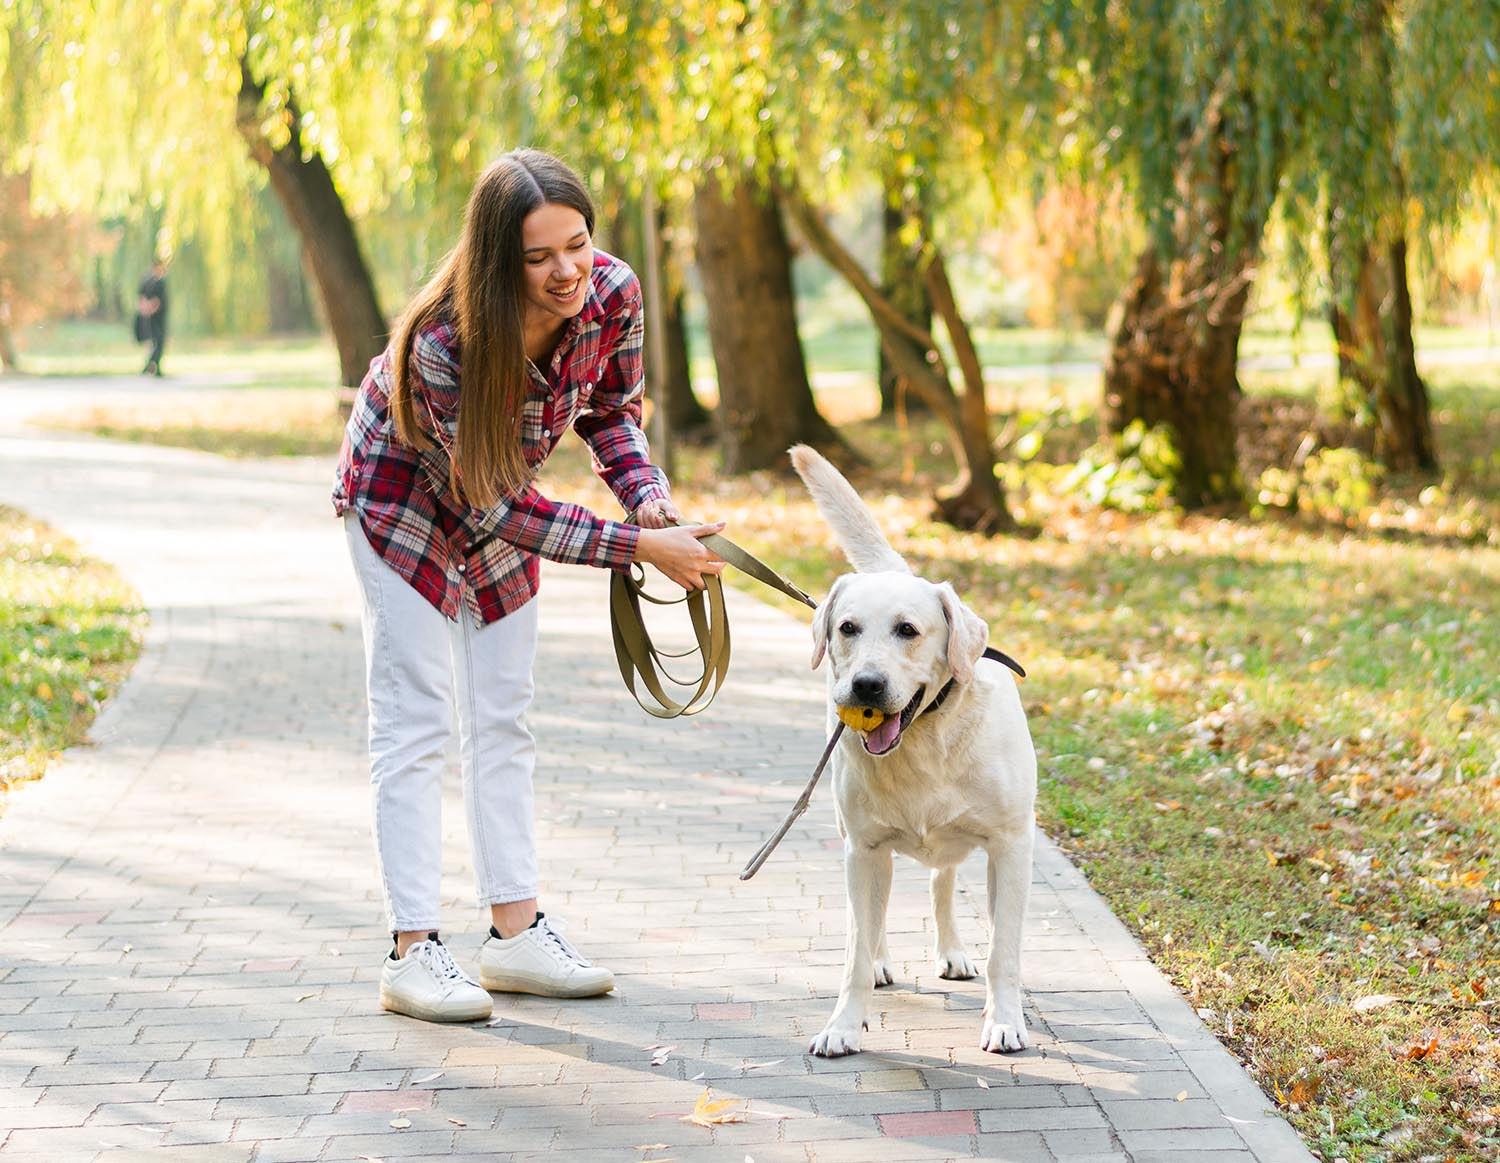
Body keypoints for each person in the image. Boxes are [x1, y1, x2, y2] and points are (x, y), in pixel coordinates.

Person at [332, 149, 726, 1024]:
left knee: (503, 712)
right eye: (538, 257)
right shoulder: (445, 343)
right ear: (496, 262)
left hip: (501, 501)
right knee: (417, 719)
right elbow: (500, 501)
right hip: (404, 502)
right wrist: (636, 547)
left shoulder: (613, 295)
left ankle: (513, 934)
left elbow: (610, 415)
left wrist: (653, 508)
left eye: (576, 244)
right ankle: (412, 951)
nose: (566, 271)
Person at [136, 258, 168, 376]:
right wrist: (148, 310)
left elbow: (142, 300)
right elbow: (156, 301)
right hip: (155, 317)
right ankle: (150, 366)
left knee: (154, 343)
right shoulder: (158, 282)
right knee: (158, 342)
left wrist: (145, 311)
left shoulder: (146, 281)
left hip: (150, 316)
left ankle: (154, 367)